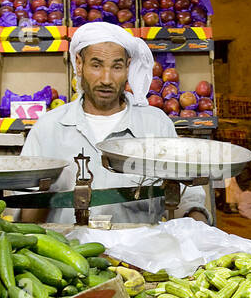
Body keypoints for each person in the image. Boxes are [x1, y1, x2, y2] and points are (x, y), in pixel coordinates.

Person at [20, 22, 210, 226]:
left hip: (138, 245)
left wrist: (198, 227)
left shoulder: (156, 125)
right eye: (96, 65)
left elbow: (187, 198)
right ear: (79, 64)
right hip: (67, 245)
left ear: (128, 67)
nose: (106, 79)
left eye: (117, 67)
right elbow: (26, 217)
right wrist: (48, 186)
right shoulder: (48, 128)